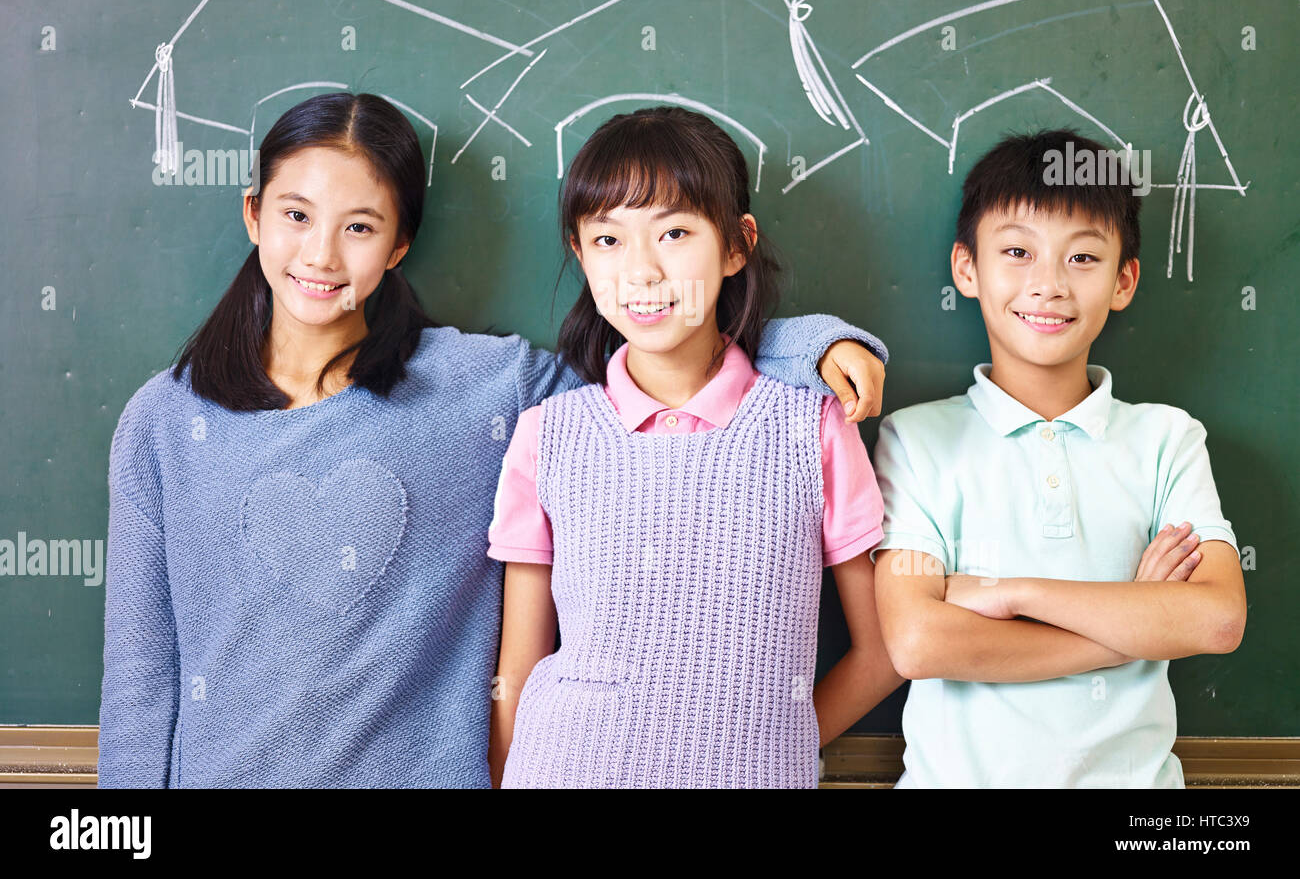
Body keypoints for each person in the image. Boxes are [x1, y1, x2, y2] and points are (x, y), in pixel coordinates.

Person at [97, 92, 891, 788]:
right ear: (253, 215)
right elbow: (139, 681)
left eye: (360, 226)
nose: (320, 254)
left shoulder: (485, 388)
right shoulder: (164, 423)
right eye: (295, 215)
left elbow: (668, 357)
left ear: (400, 243)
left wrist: (814, 347)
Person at [489, 106, 904, 788]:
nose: (642, 271)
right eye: (608, 240)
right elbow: (519, 667)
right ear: (580, 254)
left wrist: (771, 745)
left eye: (675, 232)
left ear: (737, 245)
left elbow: (883, 650)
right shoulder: (551, 433)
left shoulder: (812, 427)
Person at [871, 128, 1247, 788]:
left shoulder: (1168, 440)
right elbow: (918, 642)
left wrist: (1008, 592)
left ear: (1124, 280)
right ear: (967, 268)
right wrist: (1135, 618)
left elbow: (1215, 619)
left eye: (1082, 259)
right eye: (1016, 251)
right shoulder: (914, 439)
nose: (1046, 284)